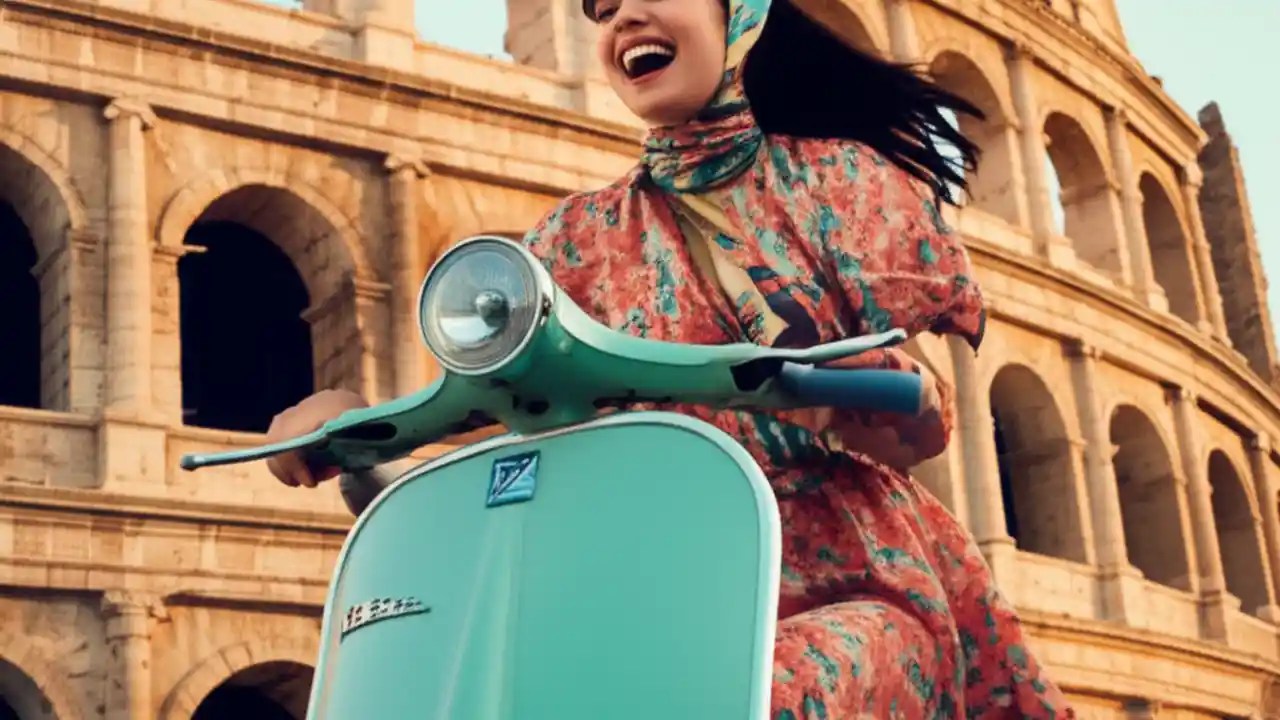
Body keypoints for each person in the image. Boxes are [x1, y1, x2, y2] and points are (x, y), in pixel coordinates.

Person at [264, 0, 1076, 716]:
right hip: (643, 577)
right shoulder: (571, 241)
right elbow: (501, 402)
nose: (622, 19)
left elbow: (922, 430)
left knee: (770, 696)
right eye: (601, 5)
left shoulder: (842, 184)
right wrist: (356, 422)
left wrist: (877, 395)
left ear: (741, 11)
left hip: (845, 580)